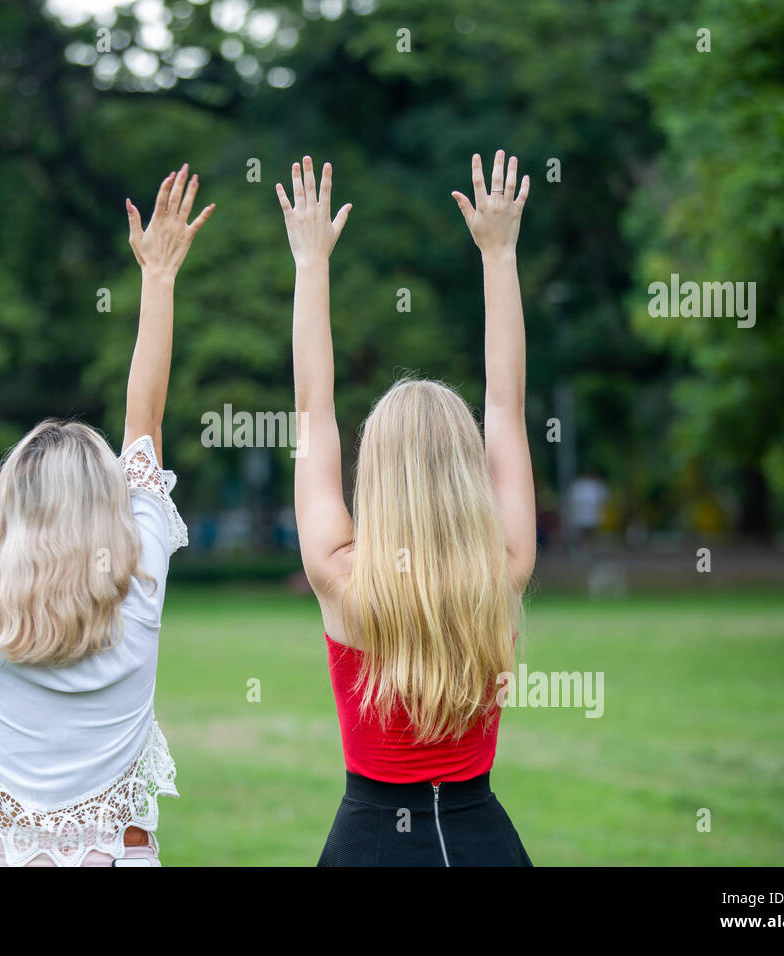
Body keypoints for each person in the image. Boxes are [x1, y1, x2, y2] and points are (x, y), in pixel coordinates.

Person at [0, 167, 213, 866]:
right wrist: (158, 276)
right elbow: (146, 418)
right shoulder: (142, 593)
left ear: (12, 512)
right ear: (112, 516)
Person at [276, 152, 534, 865]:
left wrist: (311, 263)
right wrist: (499, 254)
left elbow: (312, 412)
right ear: (466, 472)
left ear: (377, 476)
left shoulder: (341, 578)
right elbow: (508, 410)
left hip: (365, 845)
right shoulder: (504, 567)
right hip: (483, 842)